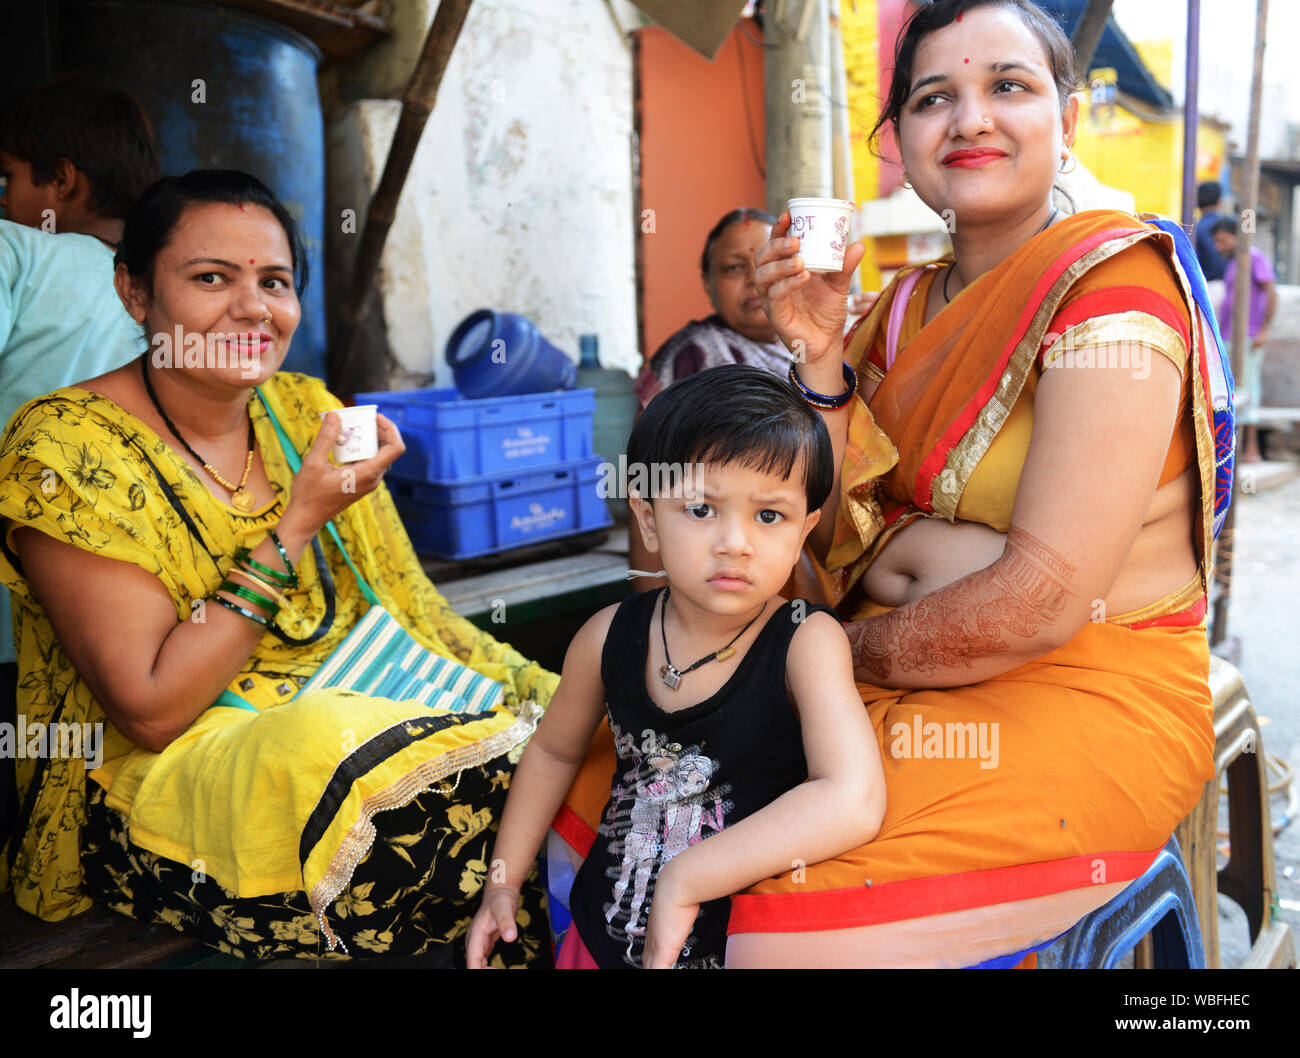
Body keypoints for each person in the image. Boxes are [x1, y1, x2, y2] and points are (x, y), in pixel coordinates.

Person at [563, 0, 1220, 968]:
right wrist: (822, 358)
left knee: (771, 916)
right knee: (614, 797)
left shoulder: (1111, 288)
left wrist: (809, 664)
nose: (970, 120)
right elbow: (822, 542)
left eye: (1008, 86)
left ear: (1068, 121)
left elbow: (1040, 600)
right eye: (931, 97)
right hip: (877, 673)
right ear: (898, 139)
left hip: (1077, 682)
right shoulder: (895, 307)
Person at [0, 170, 558, 965]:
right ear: (133, 292)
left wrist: (558, 700)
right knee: (330, 746)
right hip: (151, 783)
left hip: (361, 719)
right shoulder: (64, 449)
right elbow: (152, 709)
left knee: (571, 728)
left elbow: (411, 610)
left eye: (274, 282)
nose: (253, 307)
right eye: (209, 278)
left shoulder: (305, 411)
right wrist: (297, 522)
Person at [466, 365, 886, 968]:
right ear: (647, 518)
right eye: (700, 508)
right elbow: (554, 752)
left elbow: (852, 796)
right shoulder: (607, 636)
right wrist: (502, 884)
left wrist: (689, 877)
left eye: (769, 516)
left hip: (739, 946)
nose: (734, 542)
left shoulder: (804, 642)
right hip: (600, 938)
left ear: (803, 532)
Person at [0, 73, 160, 849]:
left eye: (8, 178)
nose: (2, 198)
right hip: (138, 635)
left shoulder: (17, 250)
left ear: (60, 180)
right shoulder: (163, 293)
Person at [1213, 215, 1276, 463]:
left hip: (1248, 336)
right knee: (1235, 390)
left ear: (1234, 236)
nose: (1219, 247)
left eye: (1222, 240)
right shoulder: (1234, 263)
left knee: (1248, 388)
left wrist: (1264, 329)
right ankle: (1237, 449)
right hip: (1230, 336)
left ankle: (1252, 450)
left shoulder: (1253, 256)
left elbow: (1271, 291)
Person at [1194, 180, 1226, 283]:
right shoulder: (1229, 226)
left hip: (1204, 285)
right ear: (1219, 201)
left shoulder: (1195, 229)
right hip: (1227, 285)